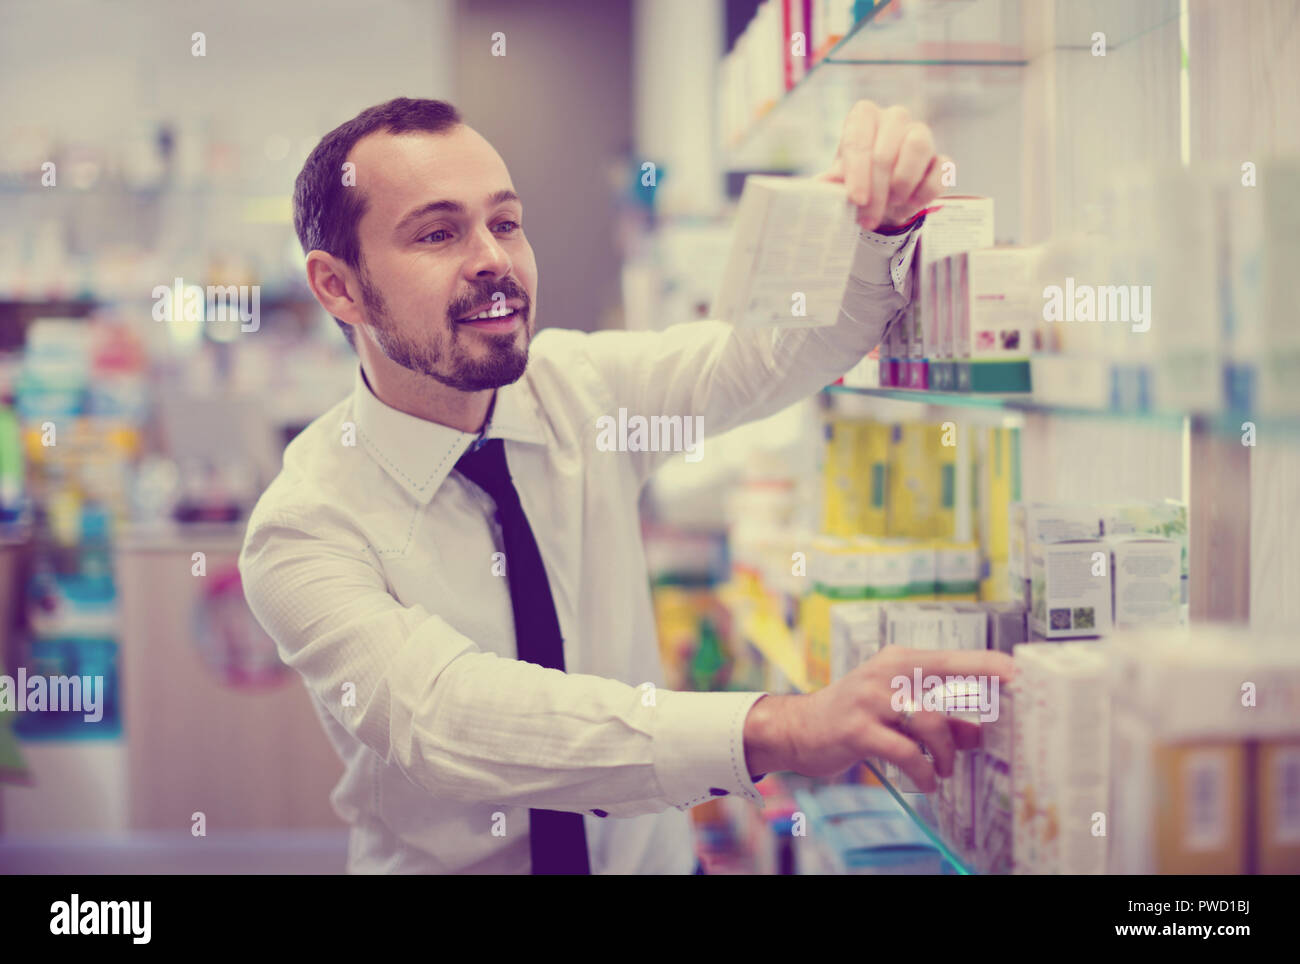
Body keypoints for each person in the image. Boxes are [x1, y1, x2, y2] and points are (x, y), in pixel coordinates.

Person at [239, 96, 1015, 874]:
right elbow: (444, 719)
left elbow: (775, 355)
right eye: (439, 233)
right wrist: (782, 726)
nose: (493, 259)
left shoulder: (583, 392)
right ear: (338, 287)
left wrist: (880, 221)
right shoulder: (304, 526)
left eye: (505, 223)